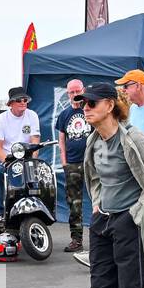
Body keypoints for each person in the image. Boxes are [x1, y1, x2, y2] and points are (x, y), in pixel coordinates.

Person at [79, 82, 144, 288]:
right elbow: (93, 176)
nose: (85, 108)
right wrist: (98, 204)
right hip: (103, 222)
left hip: (129, 221)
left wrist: (134, 214)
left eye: (91, 103)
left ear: (110, 105)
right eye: (83, 103)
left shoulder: (134, 139)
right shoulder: (93, 141)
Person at [0, 87, 40, 226]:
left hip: (27, 157)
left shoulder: (32, 115)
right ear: (11, 103)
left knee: (39, 173)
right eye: (19, 100)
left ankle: (35, 210)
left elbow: (35, 141)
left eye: (25, 99)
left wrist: (33, 159)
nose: (23, 102)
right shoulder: (1, 119)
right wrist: (8, 161)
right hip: (7, 157)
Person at [55, 78, 92, 252]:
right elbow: (61, 140)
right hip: (72, 163)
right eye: (72, 92)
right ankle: (76, 239)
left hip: (92, 162)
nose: (75, 95)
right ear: (67, 93)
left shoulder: (91, 108)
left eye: (78, 91)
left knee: (100, 198)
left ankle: (106, 236)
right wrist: (64, 161)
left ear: (83, 90)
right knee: (74, 202)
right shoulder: (64, 115)